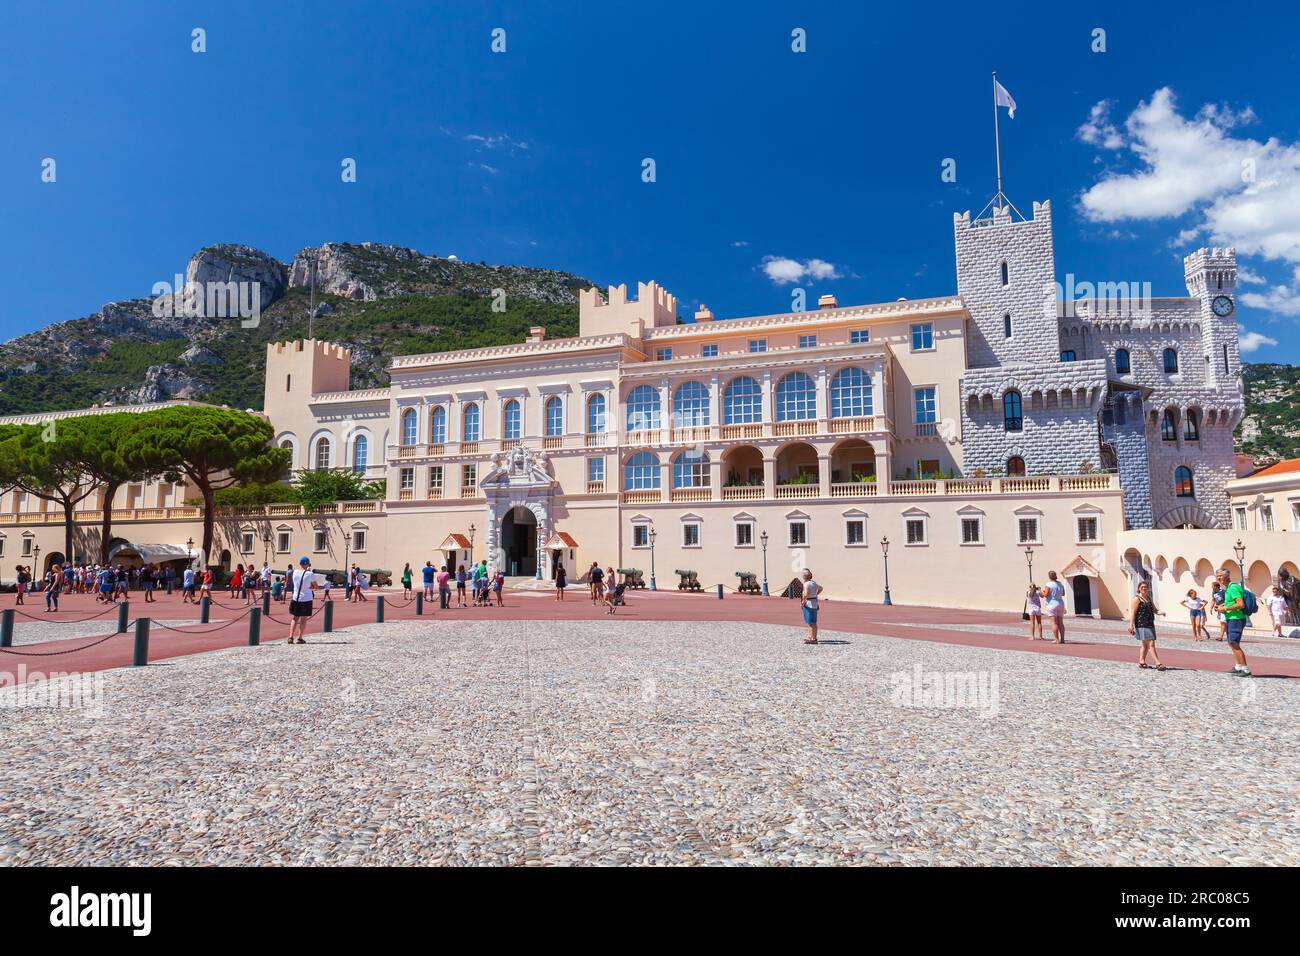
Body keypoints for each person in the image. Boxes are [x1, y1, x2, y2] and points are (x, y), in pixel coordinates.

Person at [1213, 568, 1252, 677]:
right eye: (1217, 576)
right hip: (1231, 618)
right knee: (1232, 643)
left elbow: (1240, 604)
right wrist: (1222, 606)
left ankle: (1246, 669)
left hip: (1236, 618)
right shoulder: (1229, 588)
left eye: (1220, 576)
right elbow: (1232, 602)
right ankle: (1238, 666)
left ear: (1227, 576)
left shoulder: (1233, 587)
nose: (1219, 578)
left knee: (1233, 643)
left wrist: (1225, 609)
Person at [1128, 580, 1166, 670]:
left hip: (1150, 623)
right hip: (1141, 624)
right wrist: (1130, 625)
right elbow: (1133, 613)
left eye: (1145, 587)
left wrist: (1161, 613)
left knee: (1145, 645)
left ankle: (1142, 662)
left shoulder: (1148, 598)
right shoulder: (1137, 599)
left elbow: (1155, 610)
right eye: (1142, 587)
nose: (1144, 588)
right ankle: (1158, 663)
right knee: (1151, 643)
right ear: (1138, 589)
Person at [286, 556, 316, 644]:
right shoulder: (310, 574)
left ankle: (290, 637)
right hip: (306, 598)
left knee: (295, 618)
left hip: (296, 597)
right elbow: (316, 586)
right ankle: (300, 638)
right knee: (303, 619)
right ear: (307, 564)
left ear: (300, 564)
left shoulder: (295, 572)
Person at [1042, 570, 1067, 644]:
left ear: (1049, 576)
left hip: (1052, 604)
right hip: (1060, 603)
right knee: (1061, 623)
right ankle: (1062, 639)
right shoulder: (1060, 584)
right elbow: (1063, 593)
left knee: (1054, 623)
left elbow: (1045, 594)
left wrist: (1041, 592)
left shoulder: (1049, 584)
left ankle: (1056, 639)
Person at [800, 568, 821, 644]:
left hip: (809, 603)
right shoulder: (813, 583)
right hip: (814, 602)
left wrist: (803, 601)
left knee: (811, 622)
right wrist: (815, 594)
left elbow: (805, 594)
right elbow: (821, 588)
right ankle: (811, 636)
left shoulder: (806, 584)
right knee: (812, 622)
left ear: (804, 576)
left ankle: (813, 639)